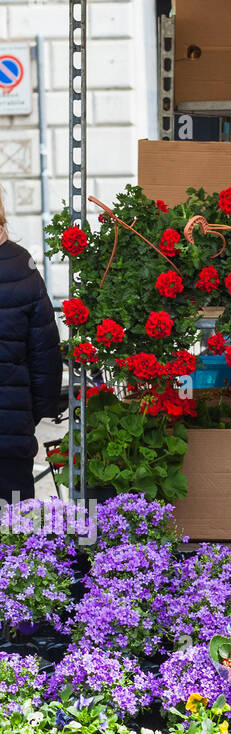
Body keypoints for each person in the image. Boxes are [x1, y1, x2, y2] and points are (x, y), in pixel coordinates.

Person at [0, 192, 63, 502]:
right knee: (14, 534)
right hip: (11, 434)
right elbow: (46, 356)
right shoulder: (23, 266)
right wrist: (32, 414)